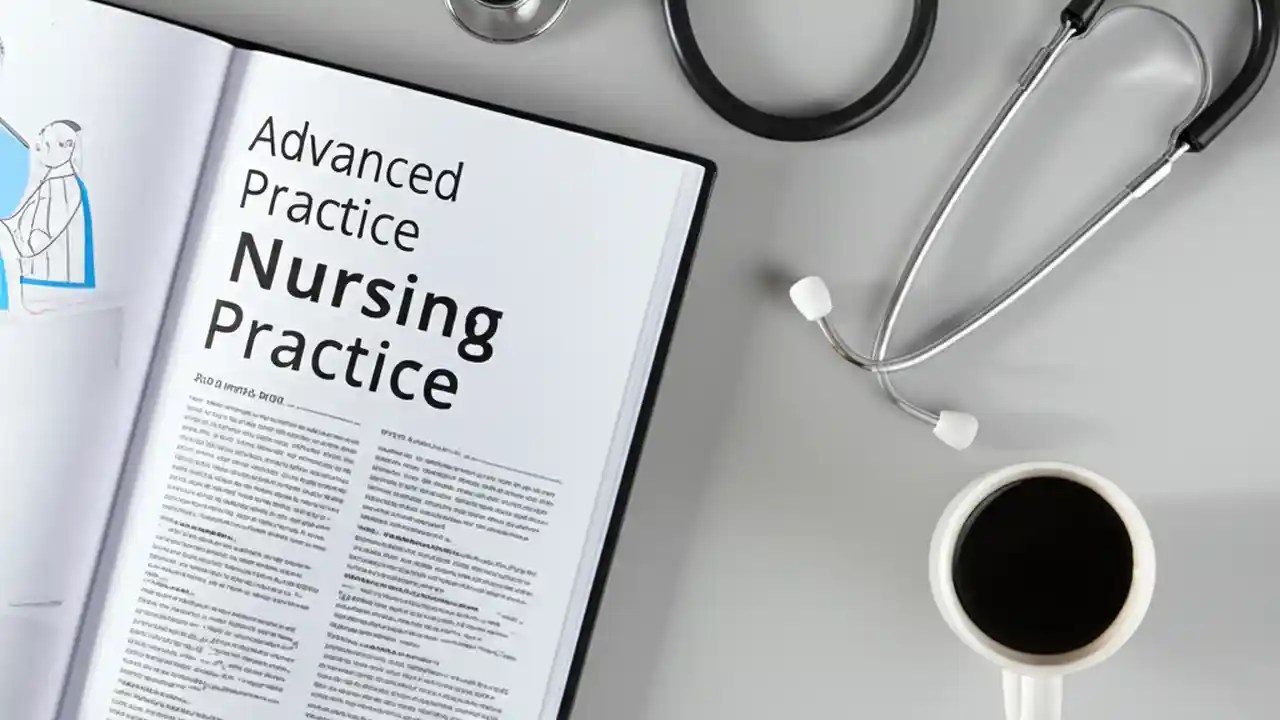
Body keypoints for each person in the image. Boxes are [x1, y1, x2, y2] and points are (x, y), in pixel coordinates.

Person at [1, 119, 94, 315]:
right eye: (42, 144)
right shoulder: (46, 181)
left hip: (49, 281)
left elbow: (40, 238)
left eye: (48, 144)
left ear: (69, 147)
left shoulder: (67, 186)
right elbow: (19, 217)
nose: (41, 149)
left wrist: (13, 237)